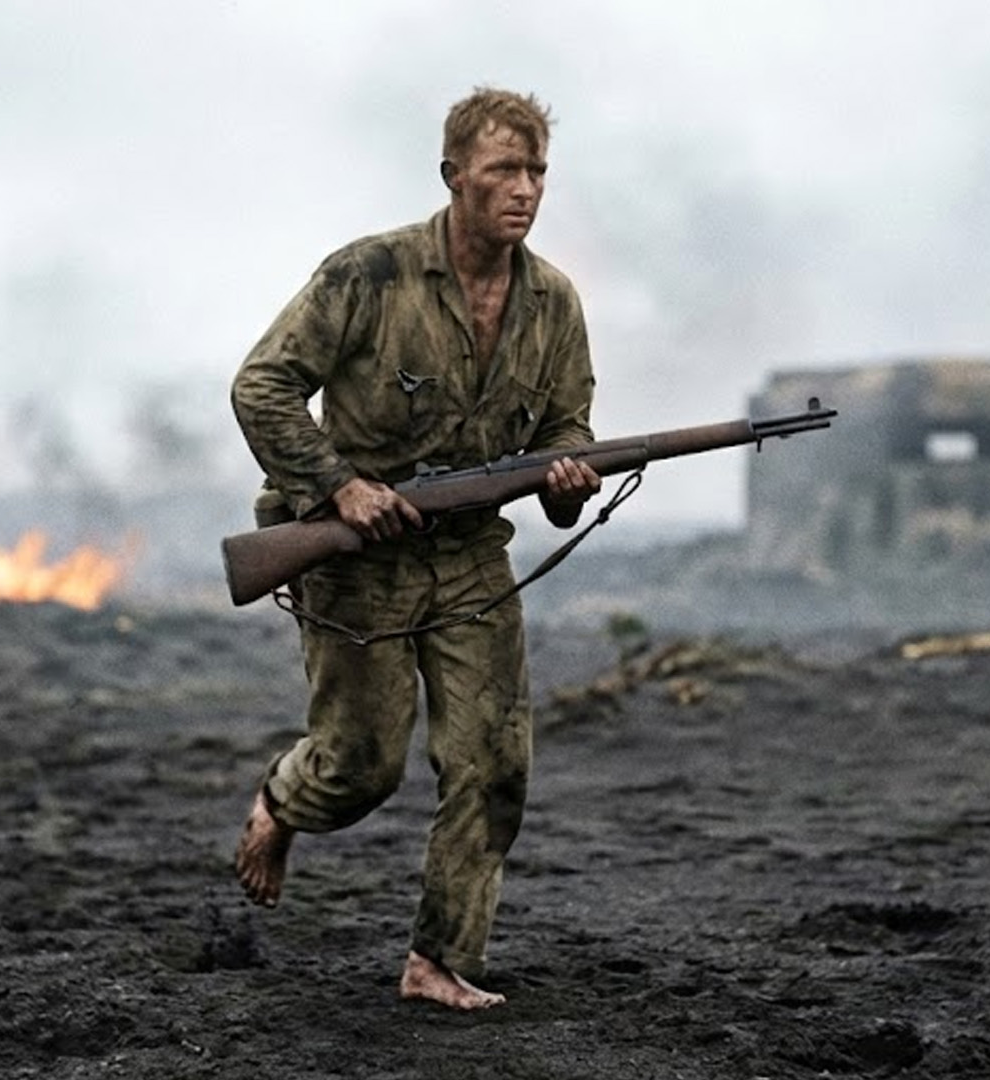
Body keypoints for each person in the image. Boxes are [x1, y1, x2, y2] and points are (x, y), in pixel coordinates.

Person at [229, 86, 603, 1010]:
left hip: (472, 558)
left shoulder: (553, 302)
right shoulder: (368, 276)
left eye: (537, 172)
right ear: (453, 178)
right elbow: (262, 386)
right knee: (359, 769)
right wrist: (337, 487)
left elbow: (566, 431)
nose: (525, 190)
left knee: (495, 762)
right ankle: (281, 804)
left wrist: (567, 481)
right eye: (503, 172)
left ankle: (438, 960)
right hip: (356, 559)